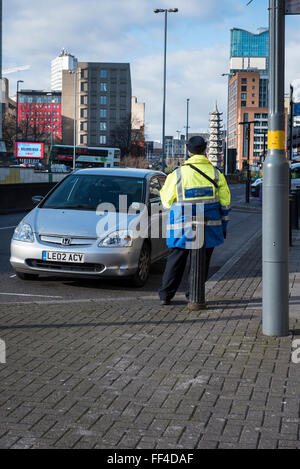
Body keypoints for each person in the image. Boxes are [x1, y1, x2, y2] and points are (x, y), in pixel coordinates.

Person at [158, 136, 231, 305]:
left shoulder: (177, 174)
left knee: (176, 260)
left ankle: (166, 295)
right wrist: (224, 227)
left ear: (188, 151)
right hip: (209, 227)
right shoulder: (216, 173)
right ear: (205, 150)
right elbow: (225, 204)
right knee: (202, 262)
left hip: (182, 226)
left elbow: (166, 201)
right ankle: (193, 294)